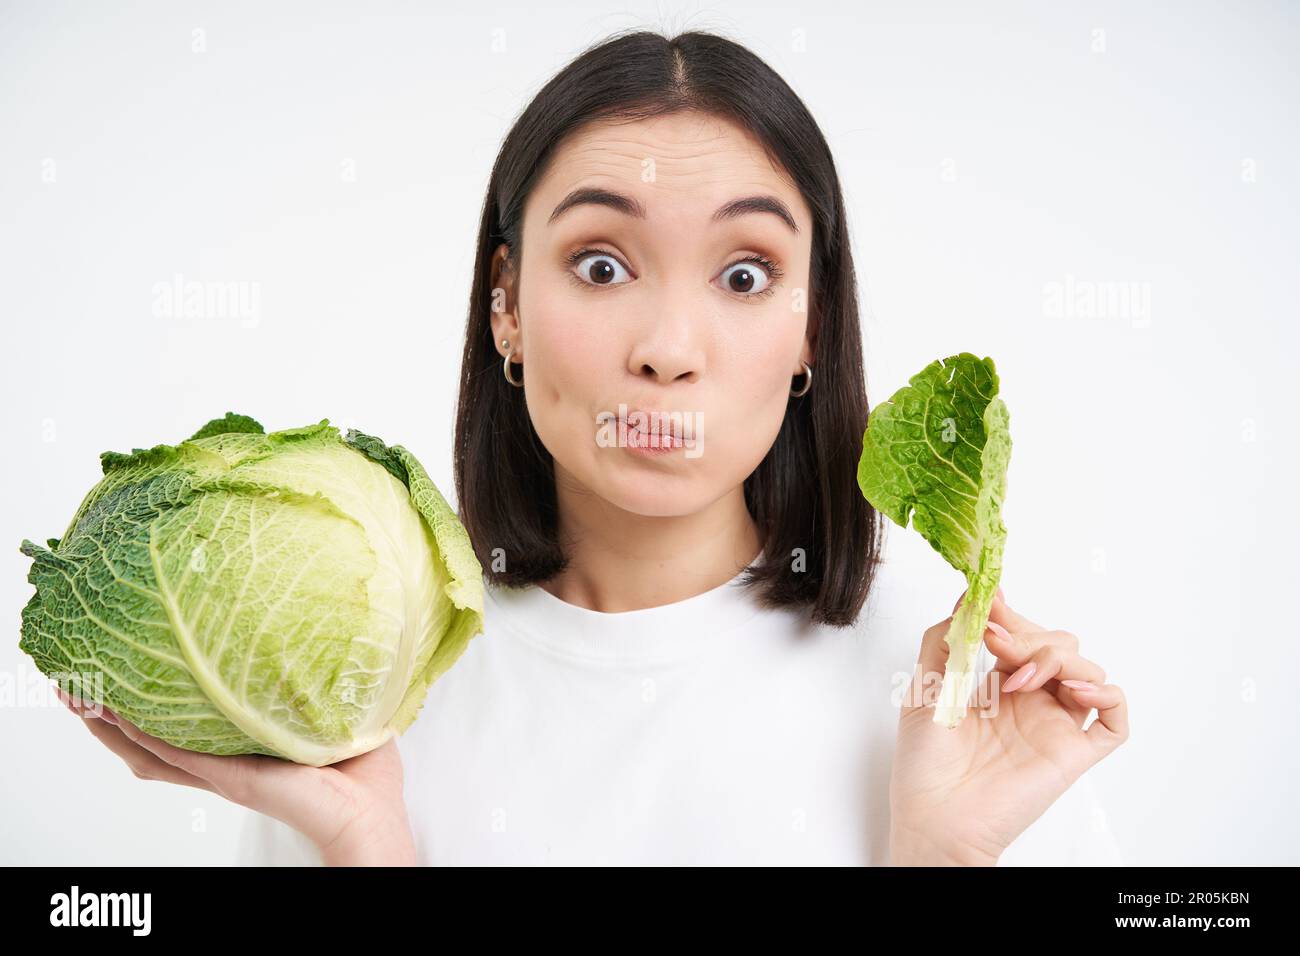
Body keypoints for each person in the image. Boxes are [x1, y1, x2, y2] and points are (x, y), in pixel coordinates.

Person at [59, 28, 1129, 866]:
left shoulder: (948, 687)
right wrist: (366, 849)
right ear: (505, 307)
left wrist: (942, 858)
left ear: (812, 326)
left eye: (745, 272)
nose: (666, 350)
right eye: (602, 264)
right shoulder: (364, 679)